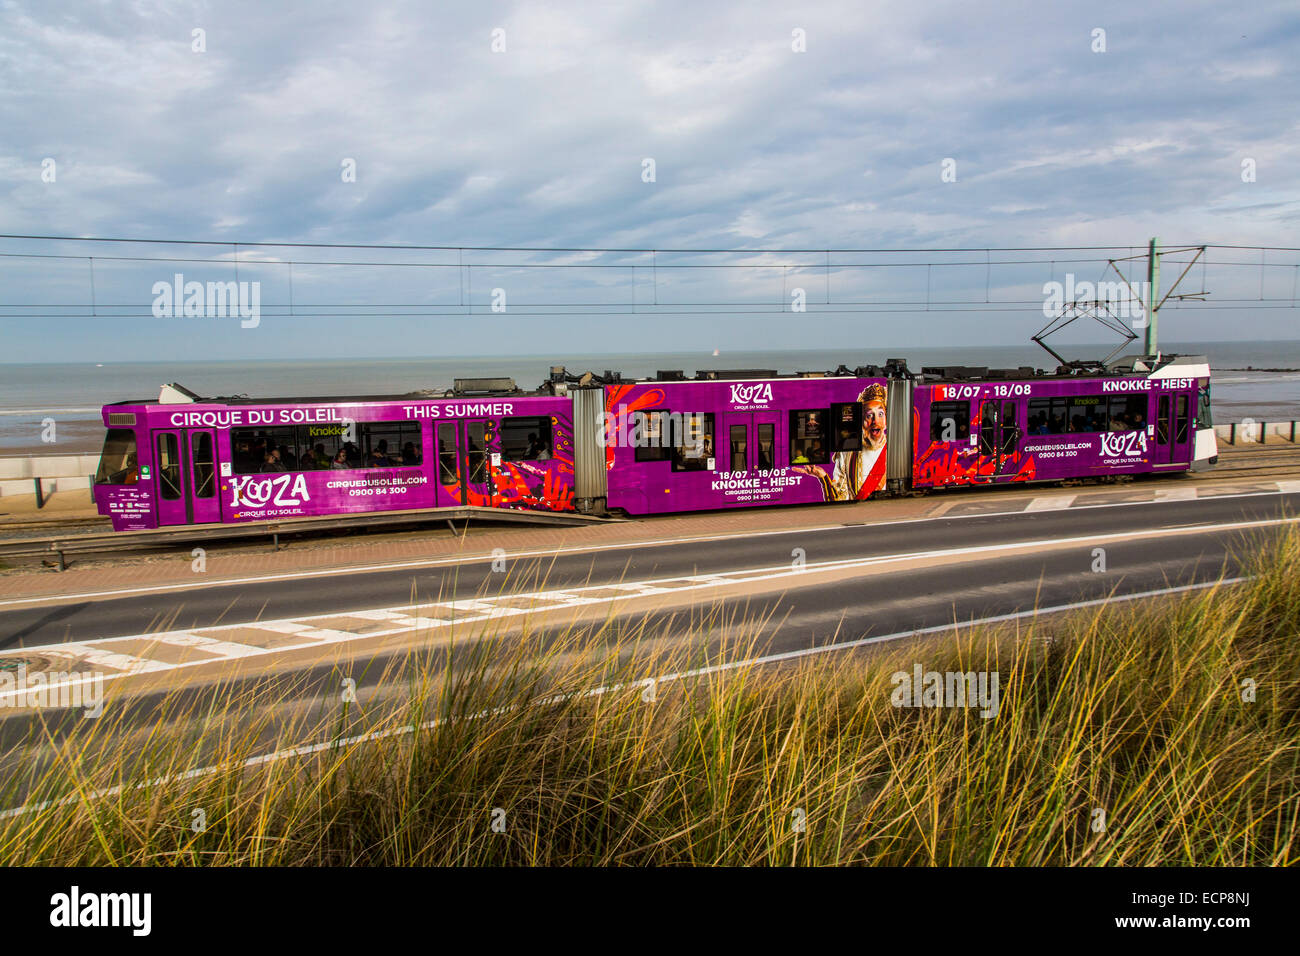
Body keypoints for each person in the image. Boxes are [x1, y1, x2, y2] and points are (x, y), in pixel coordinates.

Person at [794, 383, 888, 500]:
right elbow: (838, 499)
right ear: (861, 420)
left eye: (880, 414)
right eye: (869, 415)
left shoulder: (894, 449)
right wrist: (823, 477)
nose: (875, 421)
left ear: (886, 419)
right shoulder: (847, 452)